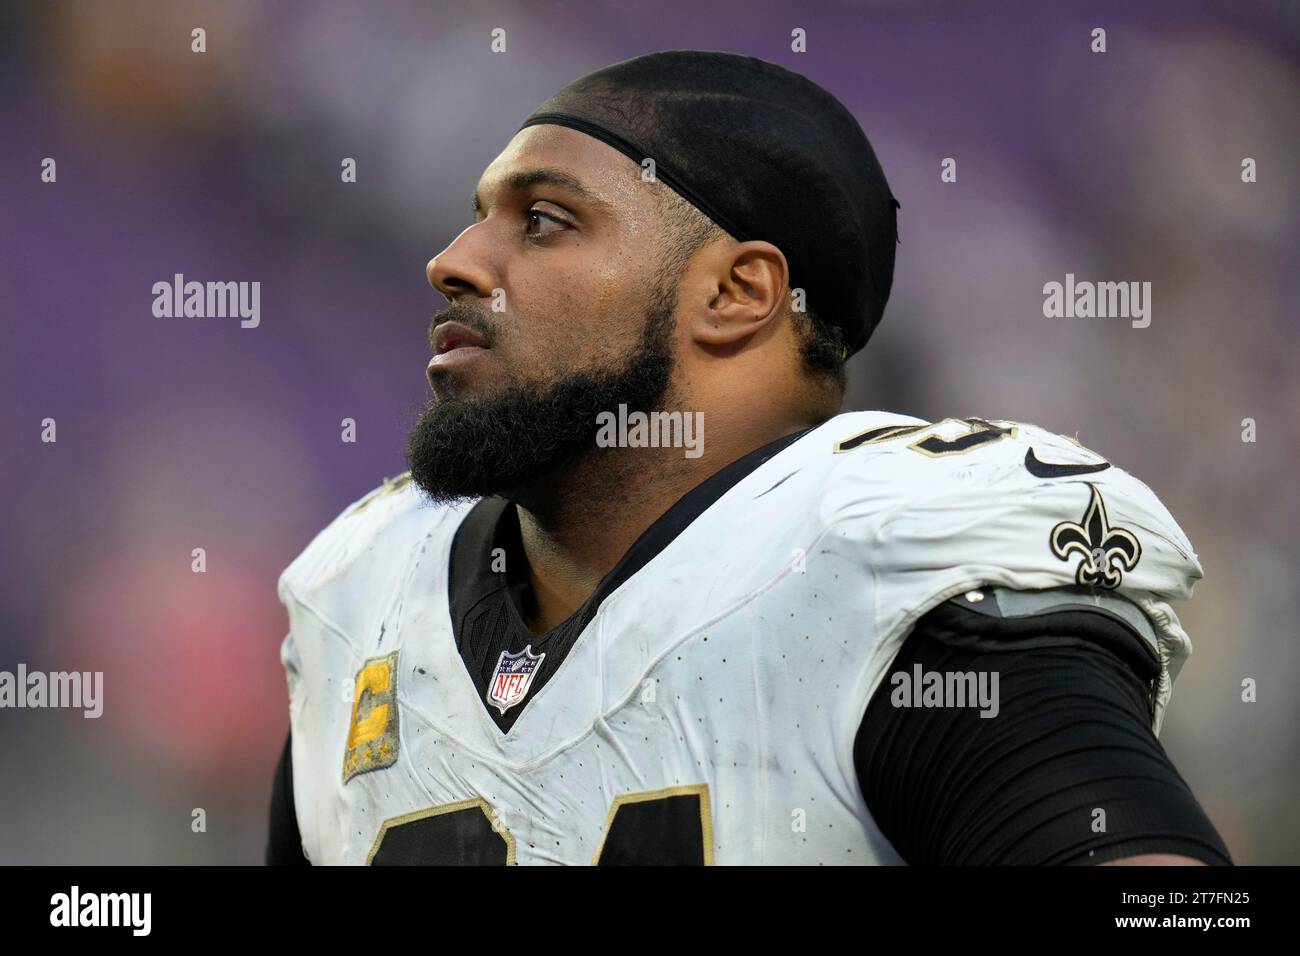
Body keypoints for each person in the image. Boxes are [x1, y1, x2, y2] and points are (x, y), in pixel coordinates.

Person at [266, 50, 1229, 865]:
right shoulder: (367, 598)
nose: (455, 259)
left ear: (737, 293)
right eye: (478, 214)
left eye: (545, 220)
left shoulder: (878, 568)